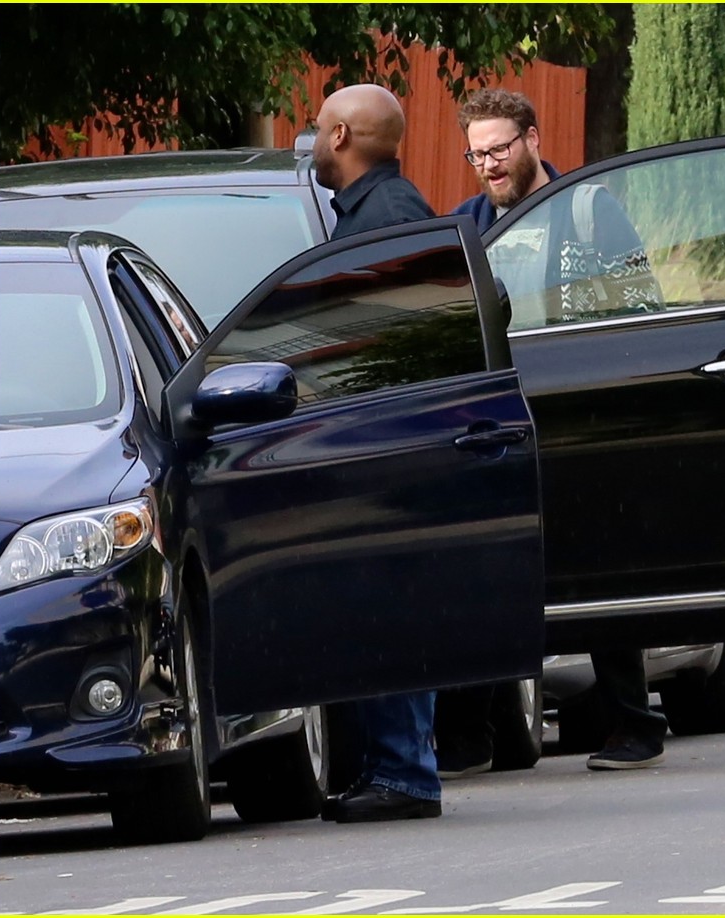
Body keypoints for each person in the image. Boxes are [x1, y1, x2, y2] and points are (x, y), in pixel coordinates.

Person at [433, 88, 668, 773]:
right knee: (486, 575)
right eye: (476, 154)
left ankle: (635, 724)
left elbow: (641, 305)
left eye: (500, 149)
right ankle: (470, 737)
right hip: (496, 428)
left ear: (534, 140)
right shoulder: (466, 225)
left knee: (594, 570)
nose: (488, 165)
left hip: (575, 418)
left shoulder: (588, 210)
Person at [310, 84, 443, 820]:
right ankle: (389, 766)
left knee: (388, 604)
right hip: (388, 440)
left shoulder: (385, 219)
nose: (312, 142)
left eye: (317, 128)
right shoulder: (382, 213)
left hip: (388, 445)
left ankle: (404, 772)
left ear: (341, 136)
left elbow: (389, 342)